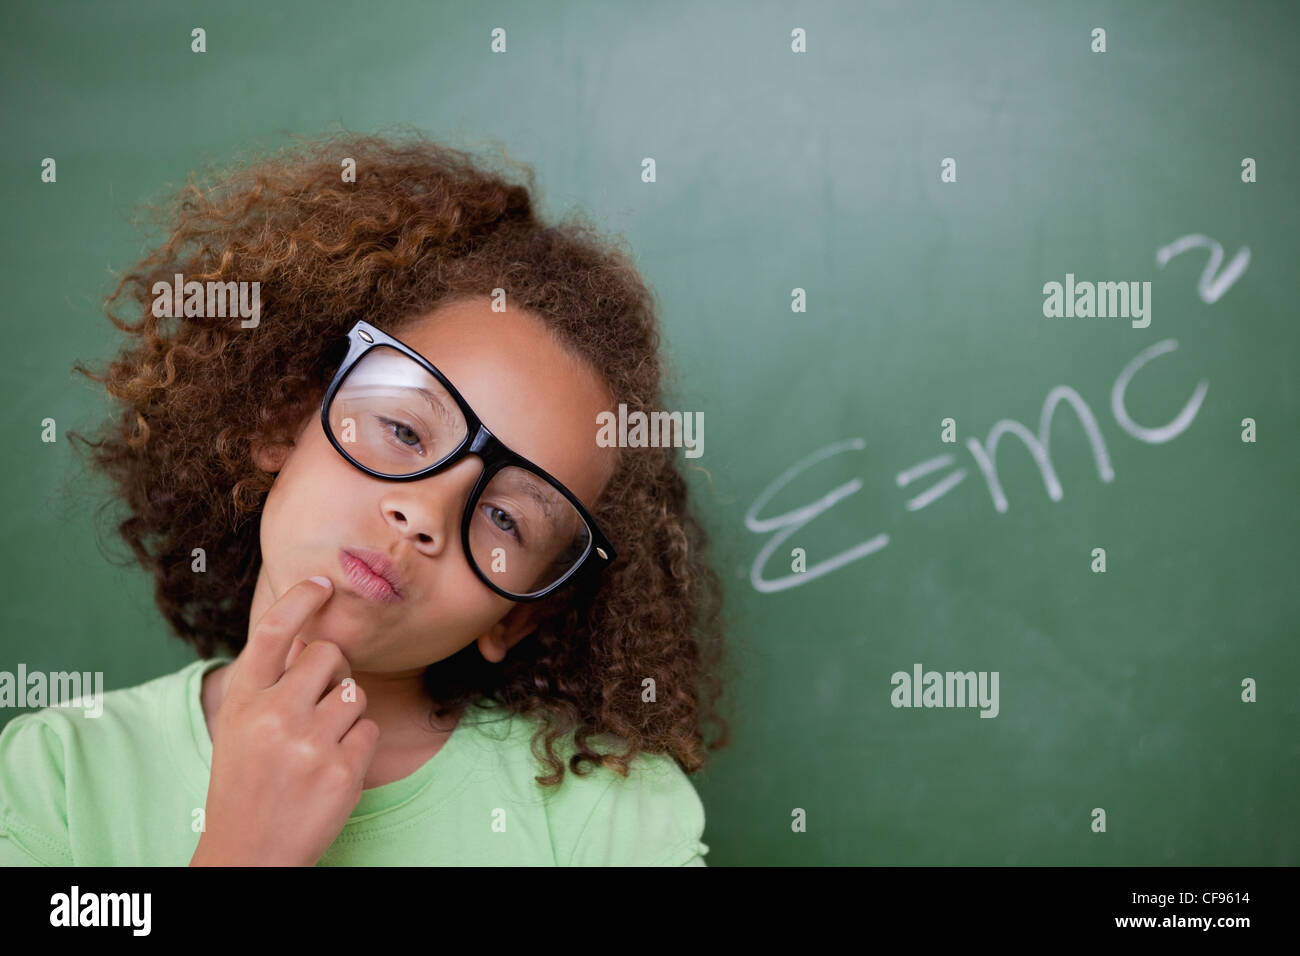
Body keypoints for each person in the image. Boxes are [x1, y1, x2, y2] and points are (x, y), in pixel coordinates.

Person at [0, 131, 728, 866]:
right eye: (405, 432)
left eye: (506, 517)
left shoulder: (608, 816)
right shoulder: (58, 778)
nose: (423, 517)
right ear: (284, 418)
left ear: (520, 612)